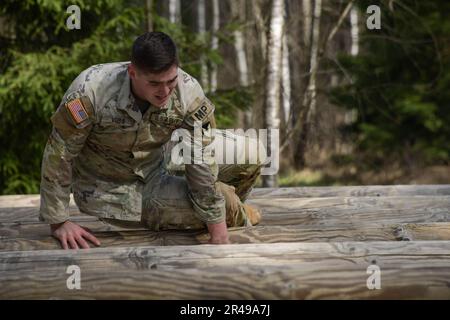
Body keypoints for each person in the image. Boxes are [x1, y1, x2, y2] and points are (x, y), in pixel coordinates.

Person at [39, 31, 263, 250]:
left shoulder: (187, 91)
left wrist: (216, 226)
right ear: (132, 72)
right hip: (113, 187)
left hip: (159, 160)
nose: (165, 91)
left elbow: (200, 160)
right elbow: (60, 154)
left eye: (171, 80)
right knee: (225, 203)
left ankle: (224, 211)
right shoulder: (91, 91)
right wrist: (59, 221)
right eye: (154, 83)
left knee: (254, 153)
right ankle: (234, 211)